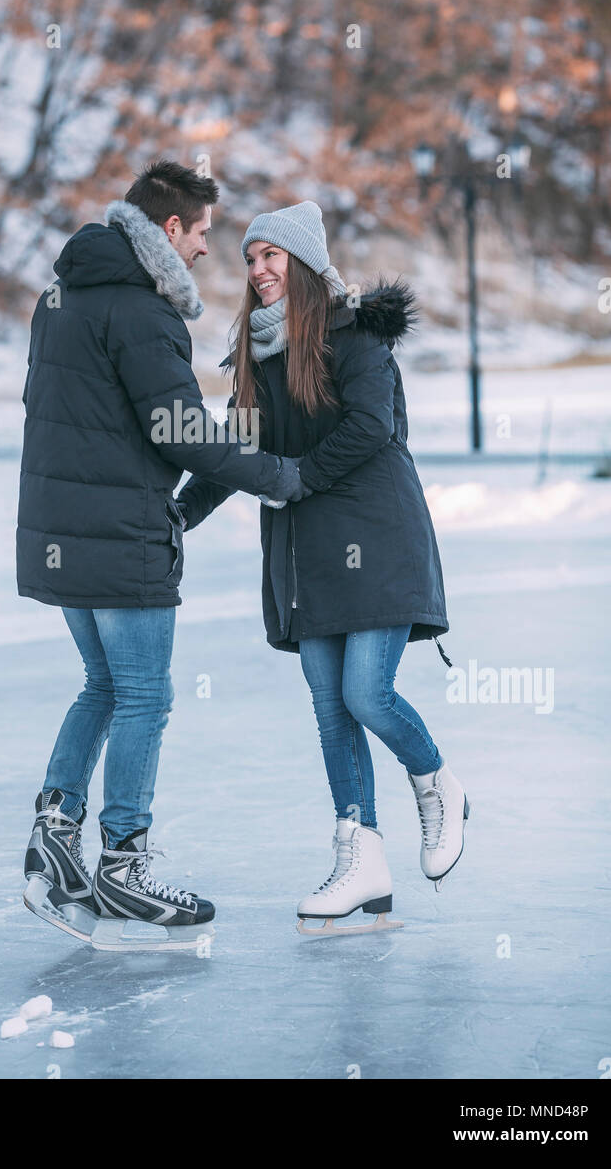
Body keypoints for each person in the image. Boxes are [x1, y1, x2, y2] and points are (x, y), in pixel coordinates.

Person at [16, 163, 309, 951]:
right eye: (204, 233)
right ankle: (124, 865)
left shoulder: (60, 297)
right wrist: (278, 477)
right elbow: (181, 432)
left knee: (104, 685)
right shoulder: (143, 310)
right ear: (170, 228)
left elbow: (56, 410)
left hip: (60, 533)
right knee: (145, 694)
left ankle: (54, 836)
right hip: (121, 535)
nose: (209, 249)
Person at [176, 201, 469, 936]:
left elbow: (373, 424)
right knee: (331, 709)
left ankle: (436, 782)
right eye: (249, 258)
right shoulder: (257, 352)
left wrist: (300, 476)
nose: (258, 270)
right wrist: (178, 515)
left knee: (367, 693)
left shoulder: (355, 334)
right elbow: (236, 448)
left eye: (271, 255)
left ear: (304, 262)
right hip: (305, 555)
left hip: (375, 537)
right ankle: (361, 858)